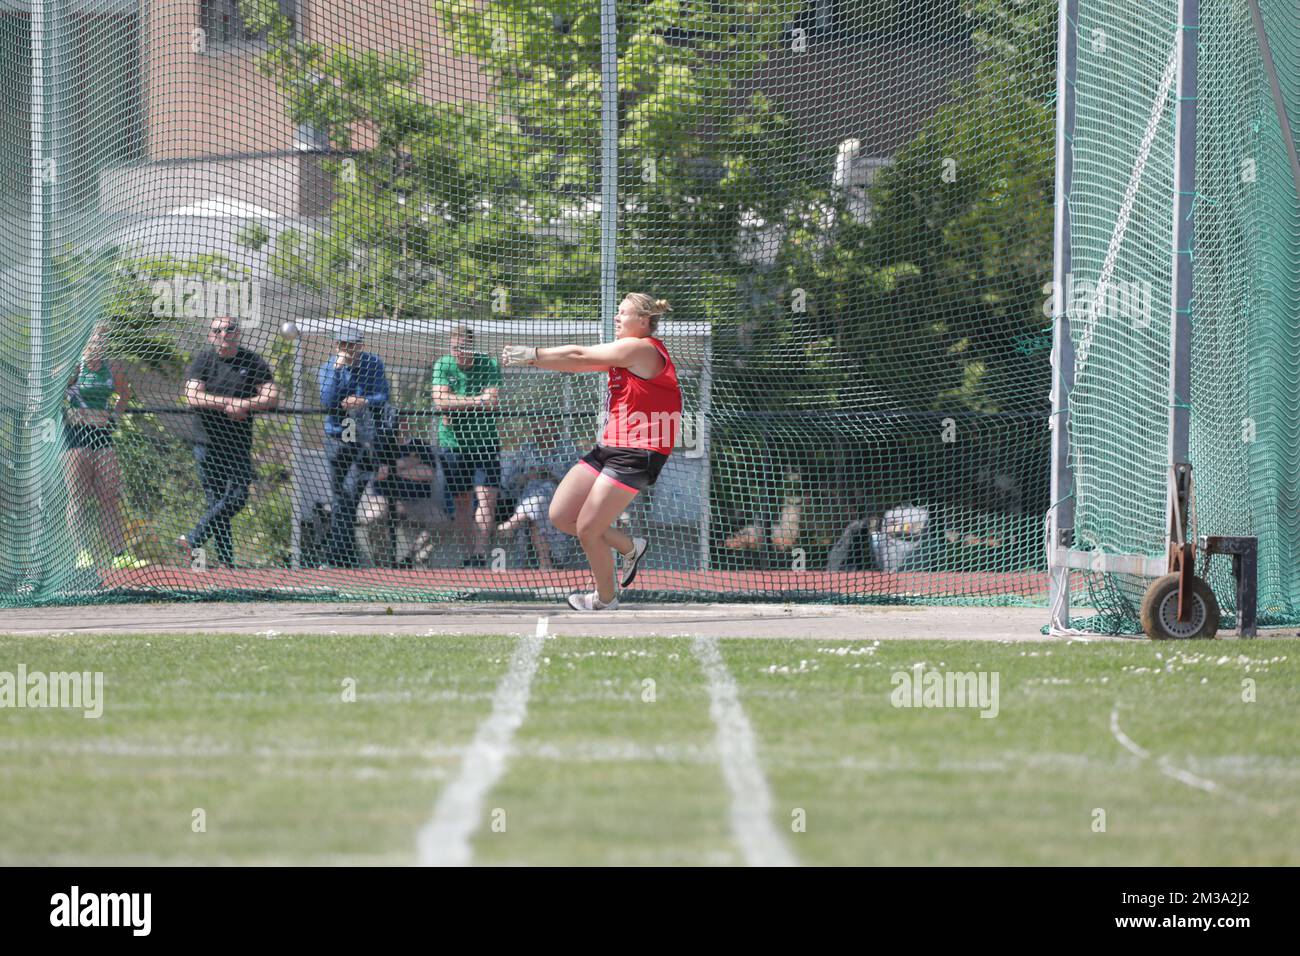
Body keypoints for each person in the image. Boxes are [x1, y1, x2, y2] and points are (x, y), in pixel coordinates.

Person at [501, 293, 681, 610]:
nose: (616, 317)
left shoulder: (641, 348)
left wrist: (531, 353)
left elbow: (579, 353)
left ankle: (605, 598)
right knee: (560, 515)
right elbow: (576, 363)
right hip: (609, 447)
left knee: (587, 528)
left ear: (643, 321)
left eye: (622, 313)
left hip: (638, 453)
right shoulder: (622, 354)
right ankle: (629, 547)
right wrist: (529, 359)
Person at [180, 316, 279, 567]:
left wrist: (245, 404)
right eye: (218, 330)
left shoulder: (252, 361)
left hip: (238, 444)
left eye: (229, 329)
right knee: (216, 501)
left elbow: (271, 395)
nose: (224, 333)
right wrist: (227, 404)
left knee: (236, 497)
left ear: (238, 333)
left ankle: (194, 538)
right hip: (207, 442)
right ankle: (225, 562)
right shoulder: (204, 360)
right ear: (211, 335)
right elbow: (192, 396)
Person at [63, 324, 144, 570]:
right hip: (76, 436)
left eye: (103, 339)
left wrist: (114, 417)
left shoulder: (113, 367)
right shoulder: (75, 367)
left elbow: (124, 394)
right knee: (78, 495)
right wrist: (70, 411)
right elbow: (54, 391)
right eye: (95, 339)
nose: (99, 343)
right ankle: (81, 553)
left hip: (102, 435)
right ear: (85, 342)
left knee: (109, 493)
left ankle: (119, 554)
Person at [318, 324, 390, 568]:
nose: (347, 349)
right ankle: (342, 557)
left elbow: (383, 396)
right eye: (342, 344)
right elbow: (328, 401)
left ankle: (337, 556)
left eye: (351, 344)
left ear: (361, 344)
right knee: (342, 498)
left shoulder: (373, 364)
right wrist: (338, 372)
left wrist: (363, 401)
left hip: (363, 440)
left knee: (349, 497)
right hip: (337, 439)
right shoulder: (329, 367)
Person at [431, 326, 501, 568]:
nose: (460, 352)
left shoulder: (489, 364)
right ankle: (468, 556)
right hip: (453, 445)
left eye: (464, 347)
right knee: (462, 502)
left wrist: (455, 404)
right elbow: (440, 401)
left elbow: (491, 401)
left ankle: (481, 555)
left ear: (472, 346)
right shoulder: (443, 364)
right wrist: (475, 401)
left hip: (485, 444)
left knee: (486, 499)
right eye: (455, 348)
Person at [356, 414, 447, 568]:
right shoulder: (381, 444)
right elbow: (380, 473)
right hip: (383, 499)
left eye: (404, 421)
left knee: (441, 521)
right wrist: (411, 462)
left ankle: (412, 557)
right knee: (372, 517)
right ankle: (384, 563)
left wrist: (394, 468)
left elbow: (427, 473)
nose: (402, 425)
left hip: (417, 501)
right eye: (397, 421)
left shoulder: (420, 445)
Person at [497, 419, 580, 570]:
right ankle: (545, 563)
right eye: (537, 431)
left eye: (545, 430)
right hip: (530, 499)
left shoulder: (568, 449)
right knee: (537, 509)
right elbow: (510, 482)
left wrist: (551, 476)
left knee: (547, 488)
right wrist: (527, 477)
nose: (541, 435)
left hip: (560, 500)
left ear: (555, 428)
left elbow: (578, 482)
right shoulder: (526, 449)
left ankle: (515, 521)